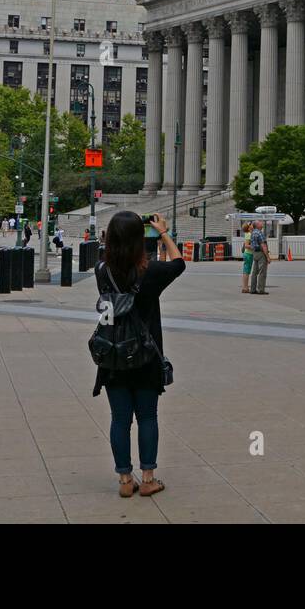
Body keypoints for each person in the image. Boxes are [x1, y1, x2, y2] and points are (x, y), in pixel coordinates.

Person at [92, 211, 185, 498]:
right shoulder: (152, 272)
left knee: (119, 419)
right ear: (140, 239)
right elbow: (180, 263)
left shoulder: (101, 270)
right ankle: (147, 478)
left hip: (113, 355)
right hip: (145, 356)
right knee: (147, 417)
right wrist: (164, 232)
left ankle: (124, 480)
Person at [247, 218, 270, 295]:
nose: (262, 223)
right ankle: (261, 289)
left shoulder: (253, 233)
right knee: (262, 272)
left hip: (255, 253)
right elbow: (263, 245)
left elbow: (251, 244)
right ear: (257, 225)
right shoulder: (260, 233)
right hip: (260, 253)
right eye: (260, 222)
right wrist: (268, 257)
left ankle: (253, 289)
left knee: (254, 272)